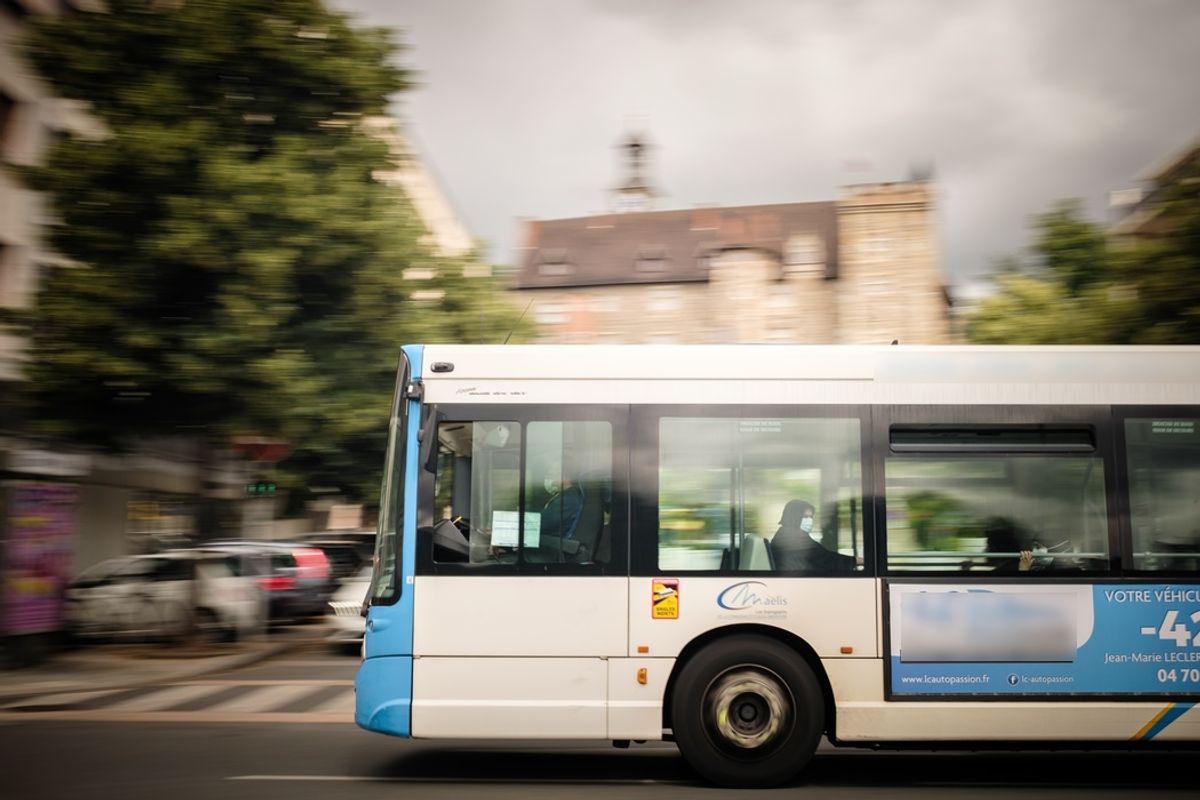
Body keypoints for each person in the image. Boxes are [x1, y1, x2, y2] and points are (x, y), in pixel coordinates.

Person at [771, 499, 856, 574]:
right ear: (794, 517)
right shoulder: (792, 538)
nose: (809, 521)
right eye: (805, 517)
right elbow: (826, 558)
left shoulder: (785, 533)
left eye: (811, 517)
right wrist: (856, 561)